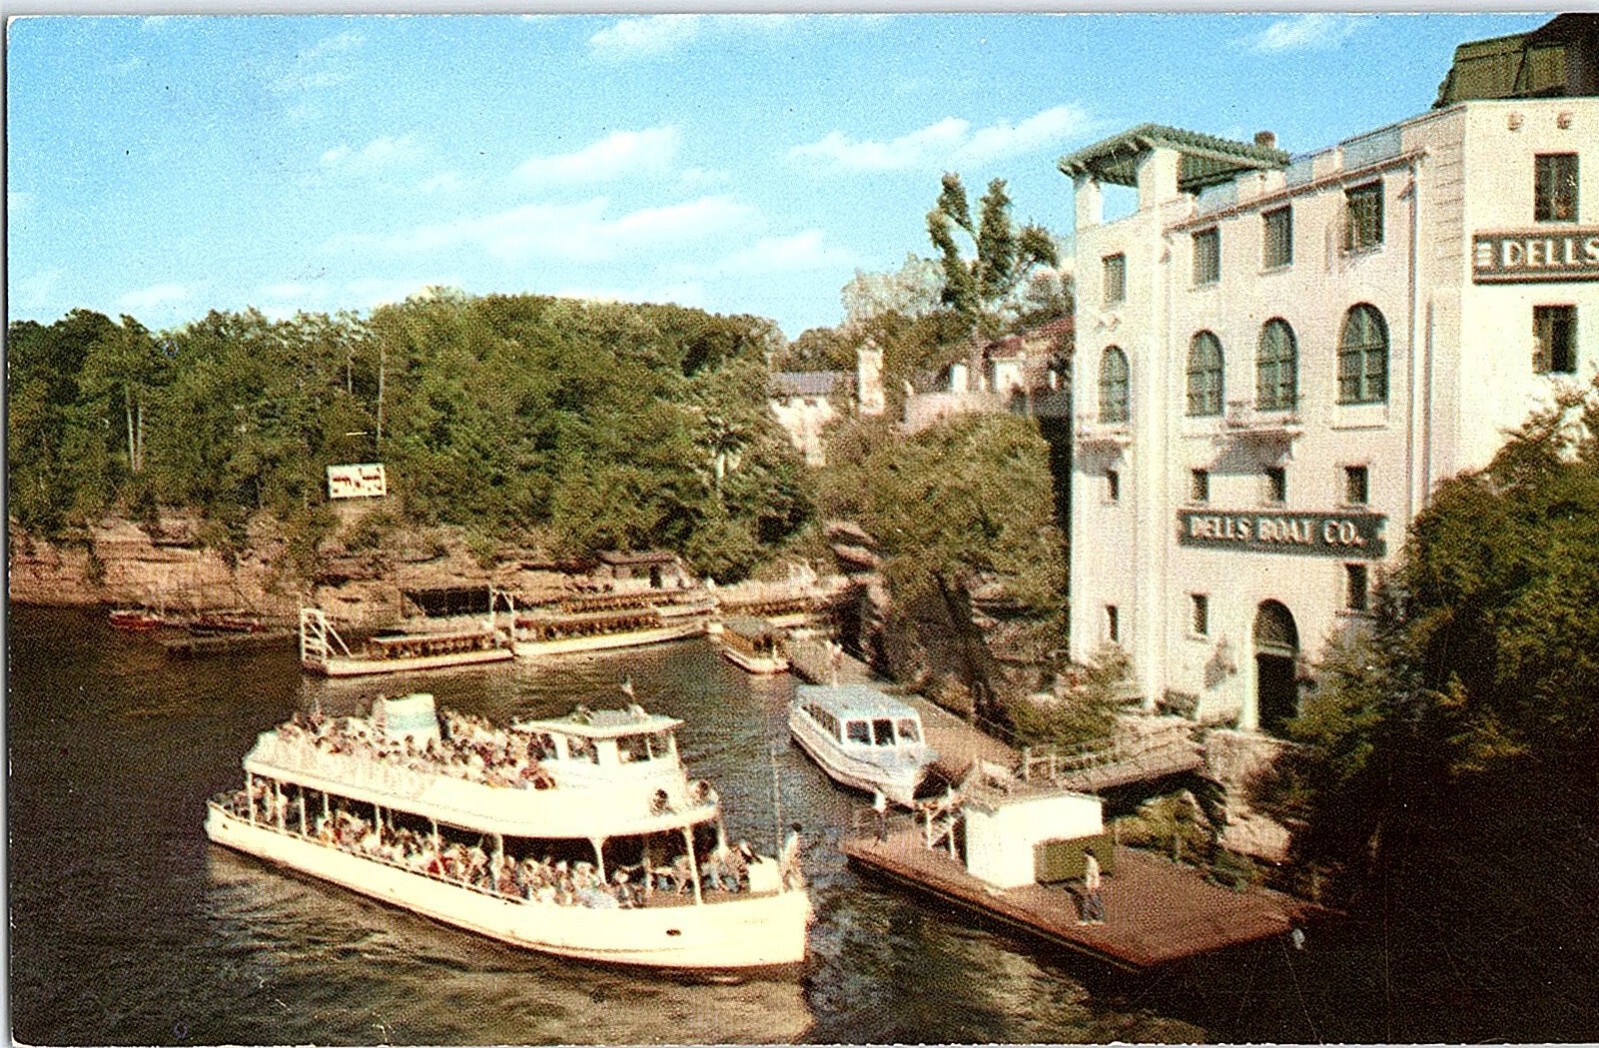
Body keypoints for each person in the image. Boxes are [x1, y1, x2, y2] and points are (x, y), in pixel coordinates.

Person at [1080, 851, 1105, 925]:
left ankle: (1087, 919)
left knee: (1091, 902)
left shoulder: (1091, 863)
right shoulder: (1092, 862)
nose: (1083, 855)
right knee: (1090, 901)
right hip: (1092, 885)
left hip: (1092, 886)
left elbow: (1093, 875)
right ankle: (1096, 918)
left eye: (1084, 853)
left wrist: (1091, 886)